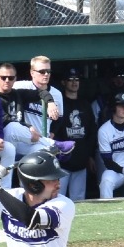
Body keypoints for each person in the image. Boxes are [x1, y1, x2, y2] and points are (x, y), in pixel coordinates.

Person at [49, 67, 96, 199]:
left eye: (77, 79)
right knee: (57, 197)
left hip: (81, 160)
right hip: (61, 162)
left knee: (79, 200)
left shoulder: (85, 104)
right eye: (70, 80)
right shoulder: (59, 103)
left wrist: (89, 155)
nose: (74, 83)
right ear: (64, 82)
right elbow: (53, 131)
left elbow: (92, 131)